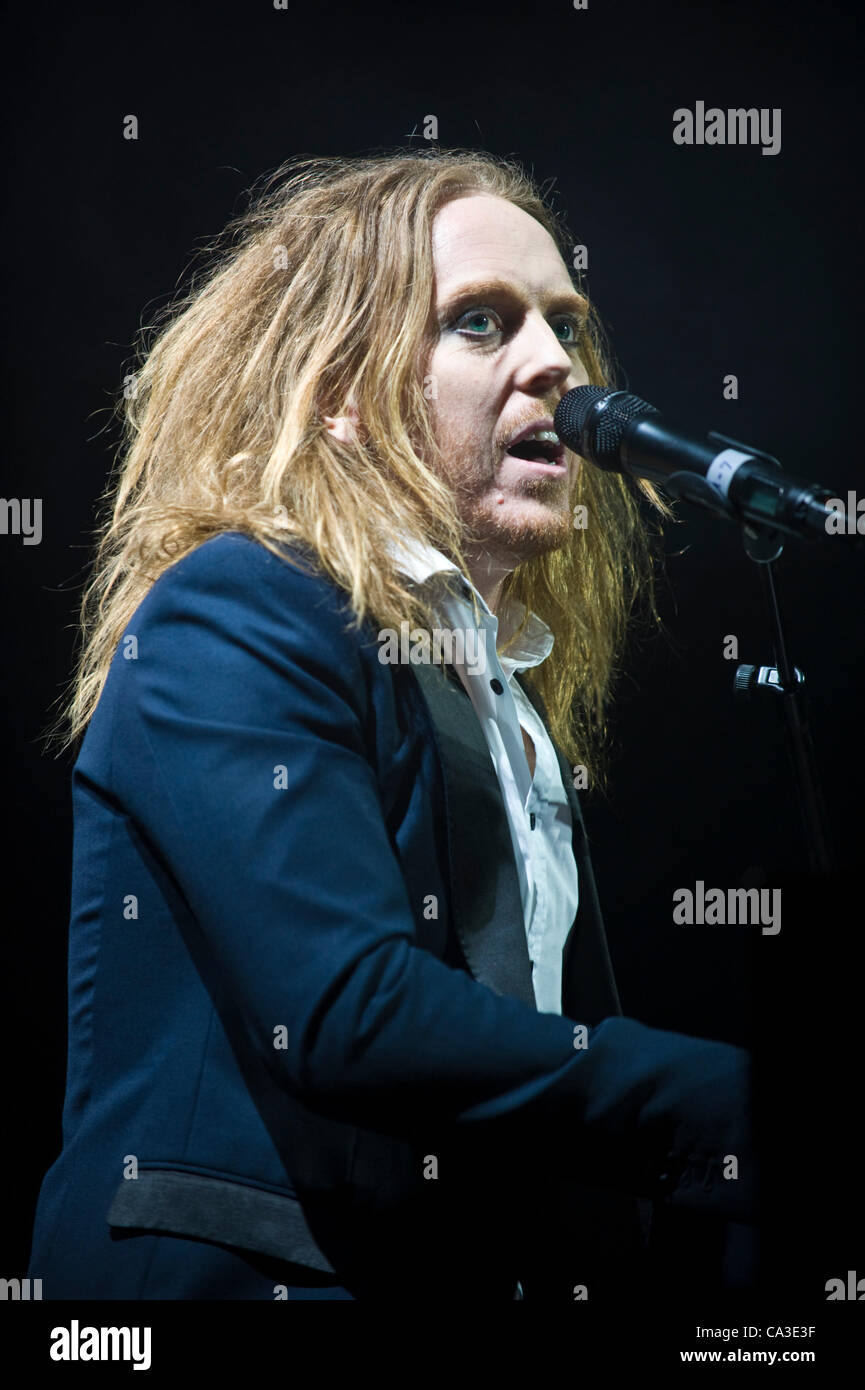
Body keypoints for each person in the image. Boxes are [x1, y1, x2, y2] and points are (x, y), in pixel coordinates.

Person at [28, 149, 757, 1302]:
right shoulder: (236, 605)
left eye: (562, 321)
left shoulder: (497, 694)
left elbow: (529, 1071)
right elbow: (349, 1012)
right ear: (339, 391)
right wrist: (735, 1103)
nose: (555, 362)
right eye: (481, 321)